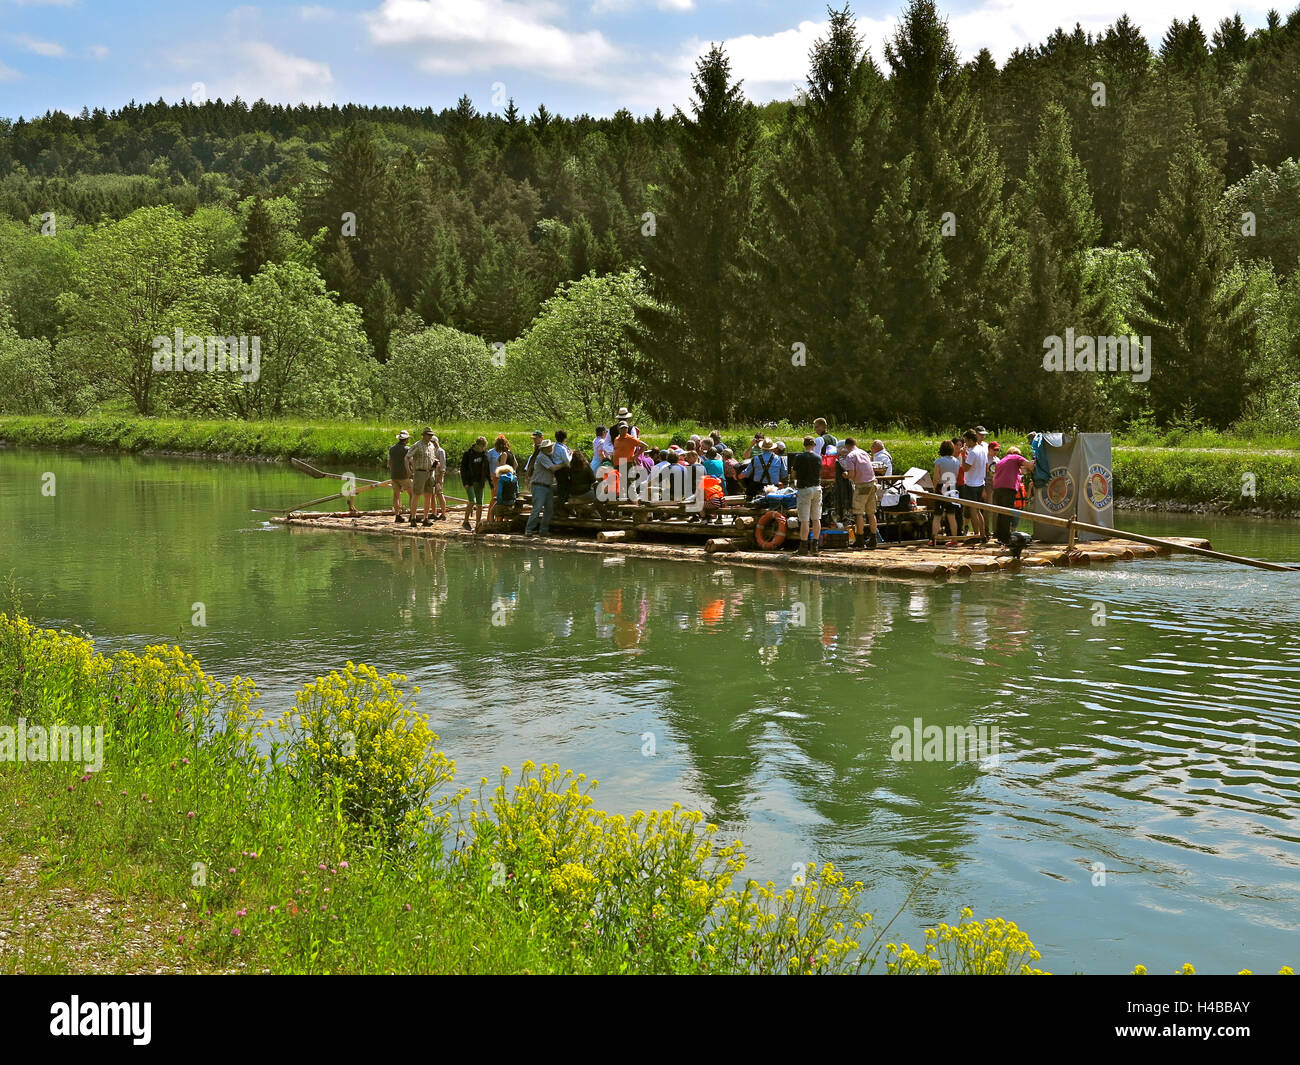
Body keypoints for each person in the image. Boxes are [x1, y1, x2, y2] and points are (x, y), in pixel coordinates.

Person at [839, 437, 880, 549]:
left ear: (846, 446)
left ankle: (860, 539)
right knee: (871, 513)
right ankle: (873, 539)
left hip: (861, 486)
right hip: (872, 484)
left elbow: (851, 475)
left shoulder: (850, 456)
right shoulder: (864, 453)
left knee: (859, 513)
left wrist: (845, 475)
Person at [991, 445, 1035, 544]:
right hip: (1008, 489)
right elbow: (1029, 465)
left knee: (1001, 513)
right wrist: (1033, 462)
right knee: (1007, 513)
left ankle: (1000, 537)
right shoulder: (1016, 457)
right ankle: (1006, 539)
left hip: (997, 489)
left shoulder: (1001, 461)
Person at [791, 436, 824, 555]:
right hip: (817, 488)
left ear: (804, 445)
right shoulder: (818, 457)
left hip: (804, 489)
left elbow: (794, 474)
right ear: (814, 445)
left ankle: (803, 547)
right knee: (816, 518)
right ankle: (815, 546)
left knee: (805, 520)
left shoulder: (799, 457)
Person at [524, 439, 563, 536]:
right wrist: (564, 464)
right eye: (548, 447)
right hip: (539, 486)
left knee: (549, 509)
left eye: (550, 447)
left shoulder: (548, 456)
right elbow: (553, 468)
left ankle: (543, 530)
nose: (550, 448)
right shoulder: (541, 457)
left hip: (547, 486)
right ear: (543, 449)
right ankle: (529, 529)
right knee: (537, 508)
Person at [930, 440, 962, 544]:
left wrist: (934, 490)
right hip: (952, 487)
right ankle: (954, 539)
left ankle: (933, 539)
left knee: (937, 515)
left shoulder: (939, 461)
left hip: (941, 488)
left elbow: (936, 477)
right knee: (951, 516)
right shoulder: (956, 461)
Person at [407, 427, 440, 526]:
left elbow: (432, 457)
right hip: (419, 472)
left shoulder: (431, 446)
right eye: (429, 435)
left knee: (429, 495)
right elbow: (407, 457)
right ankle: (413, 518)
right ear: (424, 435)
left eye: (431, 435)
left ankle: (425, 518)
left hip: (430, 472)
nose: (430, 436)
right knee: (416, 495)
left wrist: (435, 463)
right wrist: (409, 470)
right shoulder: (417, 445)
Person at [959, 429, 989, 541]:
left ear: (971, 440)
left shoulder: (972, 452)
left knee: (973, 511)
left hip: (971, 484)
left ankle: (976, 535)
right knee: (978, 511)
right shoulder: (982, 449)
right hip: (980, 483)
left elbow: (965, 468)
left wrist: (963, 455)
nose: (965, 443)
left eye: (966, 441)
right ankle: (983, 534)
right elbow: (986, 467)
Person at [459, 436, 491, 531]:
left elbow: (487, 469)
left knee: (480, 504)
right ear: (477, 445)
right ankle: (465, 521)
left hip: (480, 482)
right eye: (482, 446)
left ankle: (477, 524)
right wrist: (465, 483)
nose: (483, 448)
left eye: (484, 447)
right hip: (470, 482)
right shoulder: (468, 454)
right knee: (472, 501)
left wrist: (490, 483)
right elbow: (463, 470)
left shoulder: (484, 454)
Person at [388, 429, 413, 523]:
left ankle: (397, 515)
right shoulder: (407, 449)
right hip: (404, 475)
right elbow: (411, 461)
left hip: (394, 474)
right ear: (406, 439)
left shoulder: (392, 448)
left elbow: (389, 463)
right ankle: (412, 514)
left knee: (396, 495)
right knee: (412, 494)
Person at [429, 433, 448, 521]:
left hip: (438, 475)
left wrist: (441, 477)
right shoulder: (431, 450)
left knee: (439, 494)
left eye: (432, 441)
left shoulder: (440, 451)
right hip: (431, 475)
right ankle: (434, 512)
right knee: (432, 495)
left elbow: (443, 466)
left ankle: (443, 514)